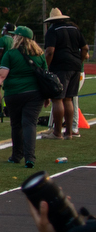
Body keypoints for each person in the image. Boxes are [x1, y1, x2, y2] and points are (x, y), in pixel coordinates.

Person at [0, 27, 47, 169]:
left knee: (16, 125)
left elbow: (2, 75)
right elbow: (45, 75)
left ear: (18, 38)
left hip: (13, 93)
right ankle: (30, 158)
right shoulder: (39, 54)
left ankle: (16, 156)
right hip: (35, 93)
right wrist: (47, 96)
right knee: (30, 124)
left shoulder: (11, 54)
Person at [42, 9, 88, 140]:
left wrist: (46, 67)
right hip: (75, 66)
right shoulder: (74, 29)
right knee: (69, 99)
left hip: (60, 66)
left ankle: (57, 132)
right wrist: (79, 60)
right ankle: (69, 132)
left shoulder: (53, 31)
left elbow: (50, 51)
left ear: (52, 21)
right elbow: (85, 48)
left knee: (58, 98)